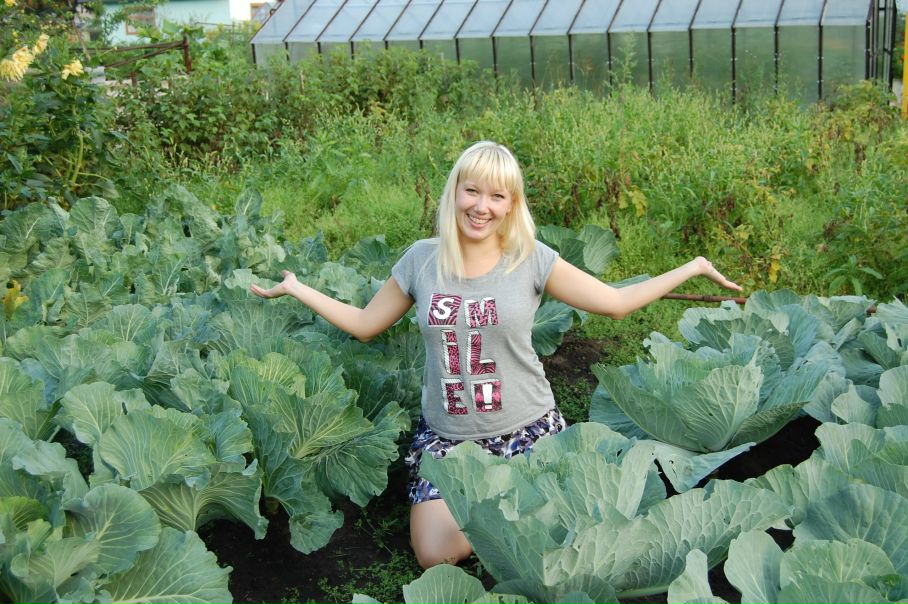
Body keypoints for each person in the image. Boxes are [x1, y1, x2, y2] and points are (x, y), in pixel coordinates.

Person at [250, 141, 742, 569]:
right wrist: (297, 288)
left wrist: (692, 266)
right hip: (449, 438)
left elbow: (614, 303)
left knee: (559, 533)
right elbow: (364, 325)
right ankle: (510, 502)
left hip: (526, 429)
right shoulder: (421, 259)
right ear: (455, 192)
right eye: (472, 191)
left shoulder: (531, 259)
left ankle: (519, 495)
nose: (481, 206)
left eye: (497, 196)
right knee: (434, 555)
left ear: (511, 205)